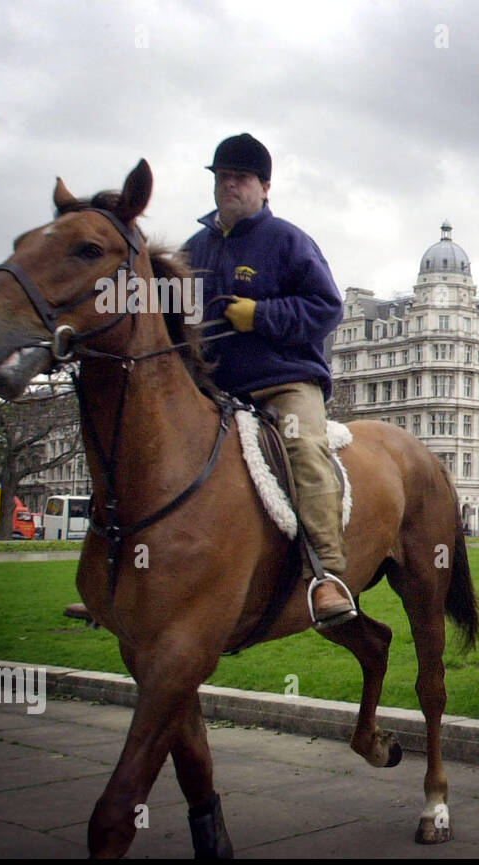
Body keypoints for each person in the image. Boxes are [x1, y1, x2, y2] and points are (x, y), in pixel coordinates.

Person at [186, 133, 353, 628]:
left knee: (306, 449)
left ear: (265, 187)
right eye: (221, 177)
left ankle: (327, 575)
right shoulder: (193, 249)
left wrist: (261, 314)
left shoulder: (288, 241)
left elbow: (327, 309)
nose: (228, 185)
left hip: (284, 381)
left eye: (239, 178)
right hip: (214, 387)